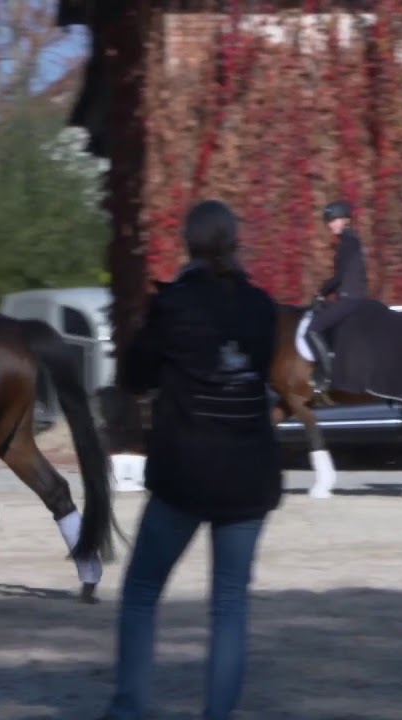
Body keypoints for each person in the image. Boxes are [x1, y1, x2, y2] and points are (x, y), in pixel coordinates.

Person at [101, 199, 283, 720]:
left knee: (141, 592)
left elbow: (136, 377)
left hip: (187, 471)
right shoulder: (261, 306)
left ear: (188, 243)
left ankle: (129, 708)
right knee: (229, 606)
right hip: (250, 473)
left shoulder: (175, 304)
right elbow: (261, 369)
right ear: (235, 241)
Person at [305, 199, 369, 391]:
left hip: (350, 299)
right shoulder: (351, 240)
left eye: (334, 220)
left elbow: (340, 276)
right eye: (329, 221)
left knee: (312, 329)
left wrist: (321, 292)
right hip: (351, 297)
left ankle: (324, 376)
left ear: (345, 220)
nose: (330, 225)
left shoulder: (348, 242)